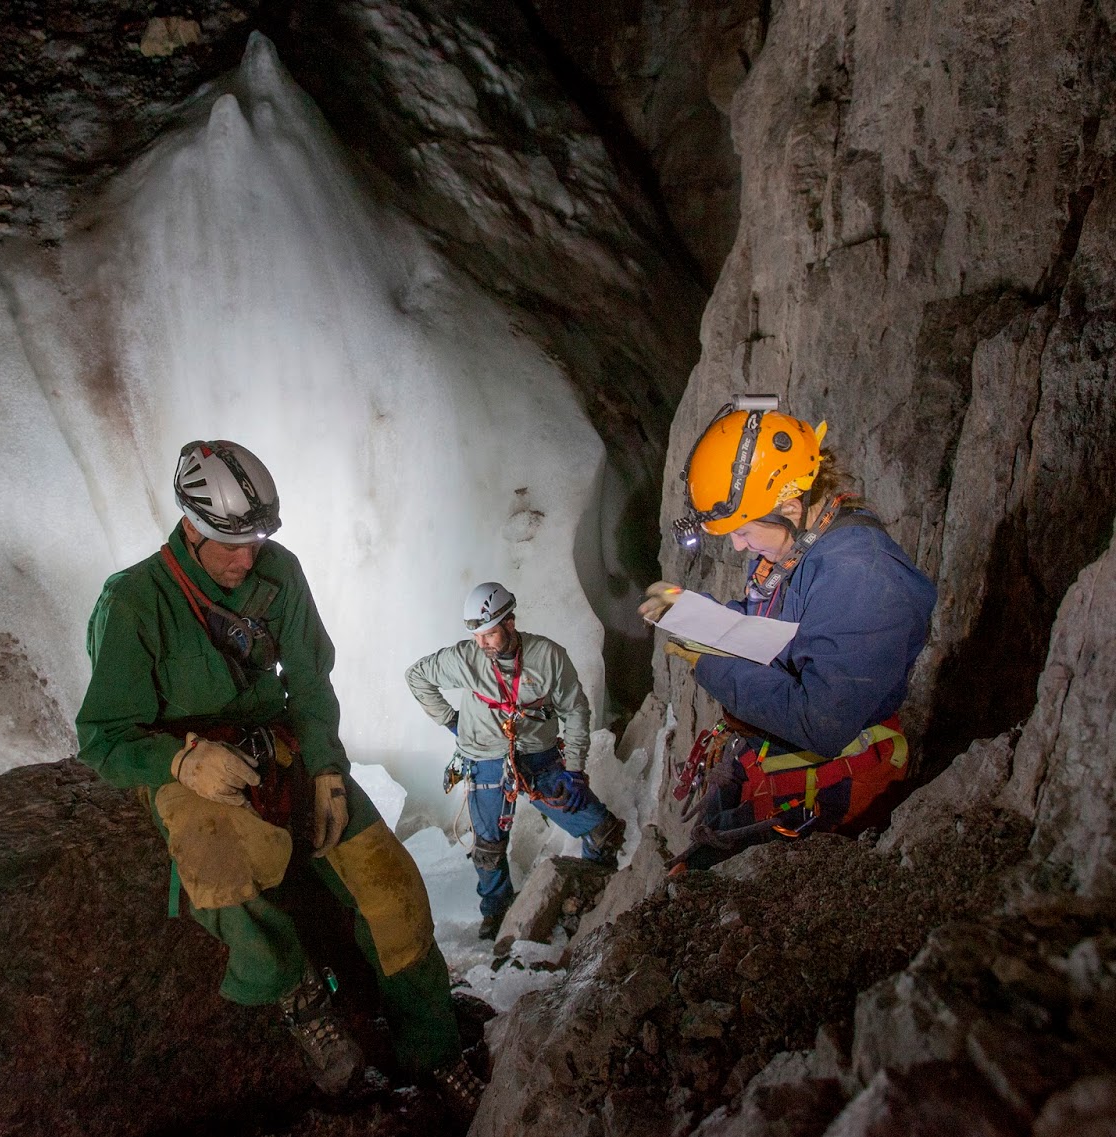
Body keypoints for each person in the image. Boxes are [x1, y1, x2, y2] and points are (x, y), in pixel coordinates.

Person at [75, 439, 483, 1116]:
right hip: (196, 770)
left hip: (285, 753)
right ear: (190, 526)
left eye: (256, 539)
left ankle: (433, 1046)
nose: (246, 557)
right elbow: (101, 737)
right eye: (231, 543)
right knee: (222, 869)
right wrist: (177, 761)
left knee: (392, 885)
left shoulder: (279, 574)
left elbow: (311, 681)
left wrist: (326, 768)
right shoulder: (133, 603)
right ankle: (297, 990)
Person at [641, 396, 937, 870]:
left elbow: (822, 722)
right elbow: (772, 623)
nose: (737, 545)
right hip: (768, 753)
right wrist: (698, 615)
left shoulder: (862, 577)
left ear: (789, 505)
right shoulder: (806, 550)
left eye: (744, 529)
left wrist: (711, 660)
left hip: (824, 781)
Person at [406, 583, 624, 941]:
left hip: (539, 759)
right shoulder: (466, 659)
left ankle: (588, 899)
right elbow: (417, 676)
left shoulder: (548, 656)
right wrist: (451, 721)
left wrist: (574, 769)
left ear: (510, 623)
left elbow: (576, 709)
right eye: (476, 635)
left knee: (604, 833)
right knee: (489, 849)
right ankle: (497, 914)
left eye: (489, 634)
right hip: (485, 759)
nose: (482, 644)